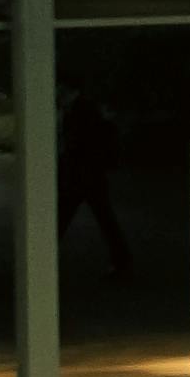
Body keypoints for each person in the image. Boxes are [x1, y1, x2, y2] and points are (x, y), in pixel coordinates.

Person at [55, 90, 133, 278]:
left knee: (64, 216)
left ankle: (121, 260)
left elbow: (79, 142)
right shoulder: (81, 107)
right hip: (89, 174)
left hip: (82, 174)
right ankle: (121, 260)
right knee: (103, 218)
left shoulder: (80, 109)